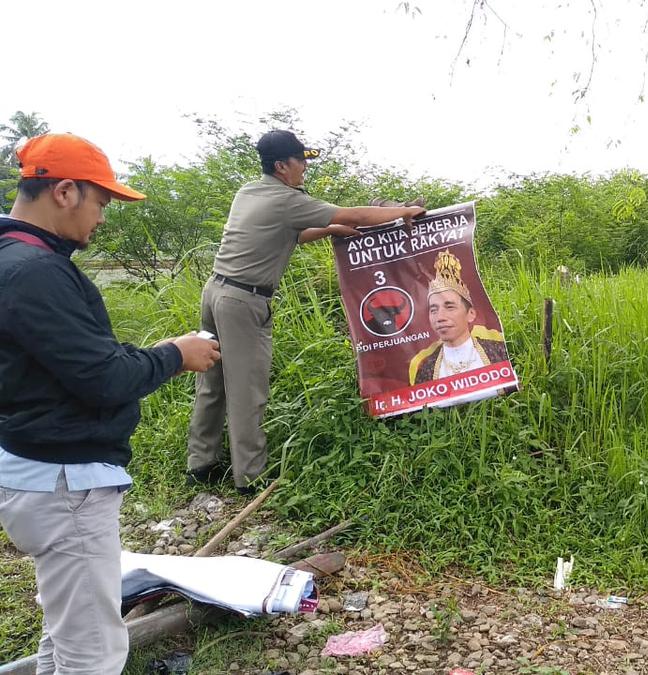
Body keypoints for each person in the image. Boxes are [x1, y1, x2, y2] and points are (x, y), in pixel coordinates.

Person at [0, 133, 221, 673]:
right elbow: (103, 378)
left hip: (32, 466)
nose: (102, 218)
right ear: (66, 192)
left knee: (67, 631)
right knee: (94, 650)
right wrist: (175, 354)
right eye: (100, 203)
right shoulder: (36, 273)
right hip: (63, 481)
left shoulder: (15, 259)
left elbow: (66, 359)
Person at [186, 130, 425, 493]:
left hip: (215, 292)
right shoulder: (286, 200)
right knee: (246, 390)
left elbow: (291, 234)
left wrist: (329, 230)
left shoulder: (250, 191)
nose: (305, 169)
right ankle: (250, 477)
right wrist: (404, 211)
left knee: (212, 382)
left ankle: (201, 464)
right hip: (243, 304)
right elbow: (354, 213)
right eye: (301, 162)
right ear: (282, 165)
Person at [409, 250, 509, 388]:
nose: (440, 317)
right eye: (433, 310)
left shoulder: (499, 351)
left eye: (449, 307)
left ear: (471, 314)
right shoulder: (426, 369)